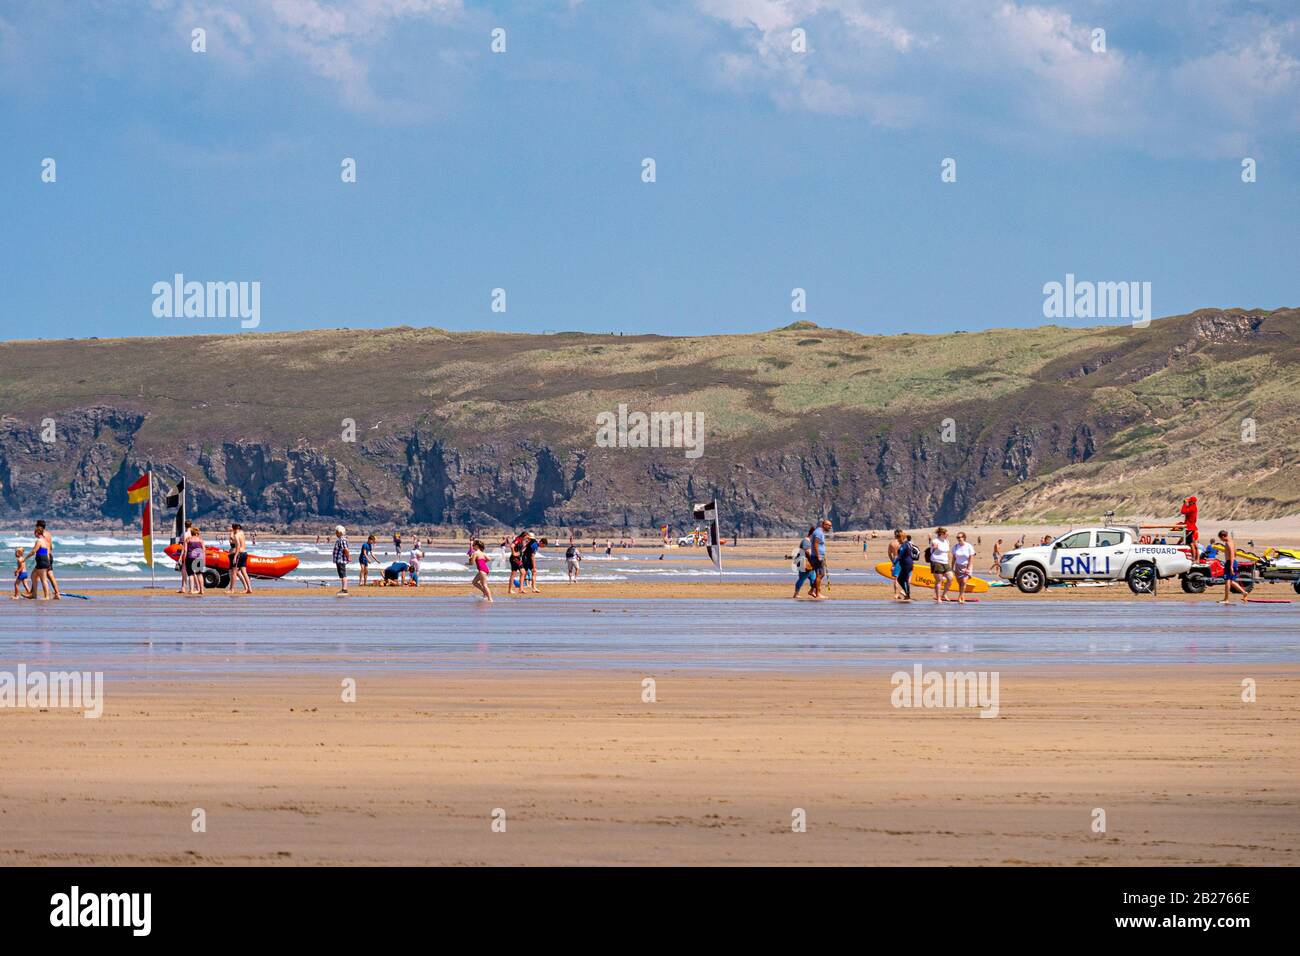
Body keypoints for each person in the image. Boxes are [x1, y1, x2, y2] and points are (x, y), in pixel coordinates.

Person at [1215, 529, 1250, 605]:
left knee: (1227, 581)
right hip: (1232, 562)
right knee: (1231, 581)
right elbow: (1235, 553)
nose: (1221, 540)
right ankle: (1244, 593)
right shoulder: (1232, 542)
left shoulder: (1228, 543)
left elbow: (1231, 554)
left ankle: (1226, 599)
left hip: (1230, 563)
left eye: (1221, 538)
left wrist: (1230, 566)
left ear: (1224, 536)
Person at [929, 527, 954, 602]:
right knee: (939, 580)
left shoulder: (947, 541)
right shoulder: (935, 541)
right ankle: (938, 598)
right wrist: (934, 548)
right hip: (936, 561)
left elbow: (946, 552)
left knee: (950, 578)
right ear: (941, 534)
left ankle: (944, 594)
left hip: (945, 562)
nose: (947, 535)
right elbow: (931, 551)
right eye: (946, 534)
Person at [951, 532, 977, 604]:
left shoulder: (969, 546)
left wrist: (968, 568)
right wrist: (952, 567)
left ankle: (959, 597)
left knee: (964, 582)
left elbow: (971, 558)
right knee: (960, 583)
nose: (958, 539)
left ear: (964, 537)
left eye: (960, 537)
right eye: (957, 537)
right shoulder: (955, 547)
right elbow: (953, 558)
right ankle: (962, 597)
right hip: (958, 566)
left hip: (967, 565)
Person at [227, 522, 251, 594]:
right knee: (244, 572)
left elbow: (237, 546)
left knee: (234, 572)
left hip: (238, 554)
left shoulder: (236, 535)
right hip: (244, 553)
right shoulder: (242, 533)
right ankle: (249, 588)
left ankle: (232, 589)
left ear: (233, 528)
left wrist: (235, 557)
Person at [793, 527, 817, 598]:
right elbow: (807, 551)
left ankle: (812, 591)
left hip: (808, 563)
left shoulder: (810, 541)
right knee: (802, 578)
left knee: (814, 578)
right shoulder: (806, 541)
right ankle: (796, 593)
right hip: (804, 563)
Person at [811, 519, 831, 598]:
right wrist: (818, 556)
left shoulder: (819, 532)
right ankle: (817, 593)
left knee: (819, 575)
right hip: (817, 557)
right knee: (820, 574)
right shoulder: (819, 533)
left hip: (818, 556)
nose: (830, 527)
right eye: (828, 525)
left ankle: (812, 590)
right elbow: (815, 545)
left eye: (830, 526)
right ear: (824, 525)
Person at [185, 526, 206, 596]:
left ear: (191, 533)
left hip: (190, 557)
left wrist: (184, 558)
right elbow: (204, 550)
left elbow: (185, 550)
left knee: (191, 574)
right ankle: (202, 590)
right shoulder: (200, 540)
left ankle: (191, 590)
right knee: (199, 574)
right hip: (199, 558)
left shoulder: (188, 539)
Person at [896, 533, 916, 602]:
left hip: (906, 564)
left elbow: (900, 556)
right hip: (908, 563)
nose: (897, 540)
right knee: (901, 579)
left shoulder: (904, 545)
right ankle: (907, 594)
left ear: (902, 538)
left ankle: (908, 595)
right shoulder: (908, 544)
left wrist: (894, 564)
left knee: (904, 579)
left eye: (898, 538)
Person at [887, 529, 905, 600]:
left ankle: (896, 594)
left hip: (895, 560)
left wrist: (892, 561)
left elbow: (889, 553)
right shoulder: (902, 543)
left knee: (896, 579)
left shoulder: (891, 543)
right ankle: (903, 590)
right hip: (902, 560)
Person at [332, 525, 350, 595]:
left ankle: (344, 589)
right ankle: (344, 589)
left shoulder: (342, 540)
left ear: (340, 532)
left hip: (341, 560)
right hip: (339, 560)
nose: (335, 533)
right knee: (341, 575)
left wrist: (348, 558)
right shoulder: (339, 540)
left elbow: (346, 550)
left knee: (343, 575)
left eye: (336, 532)